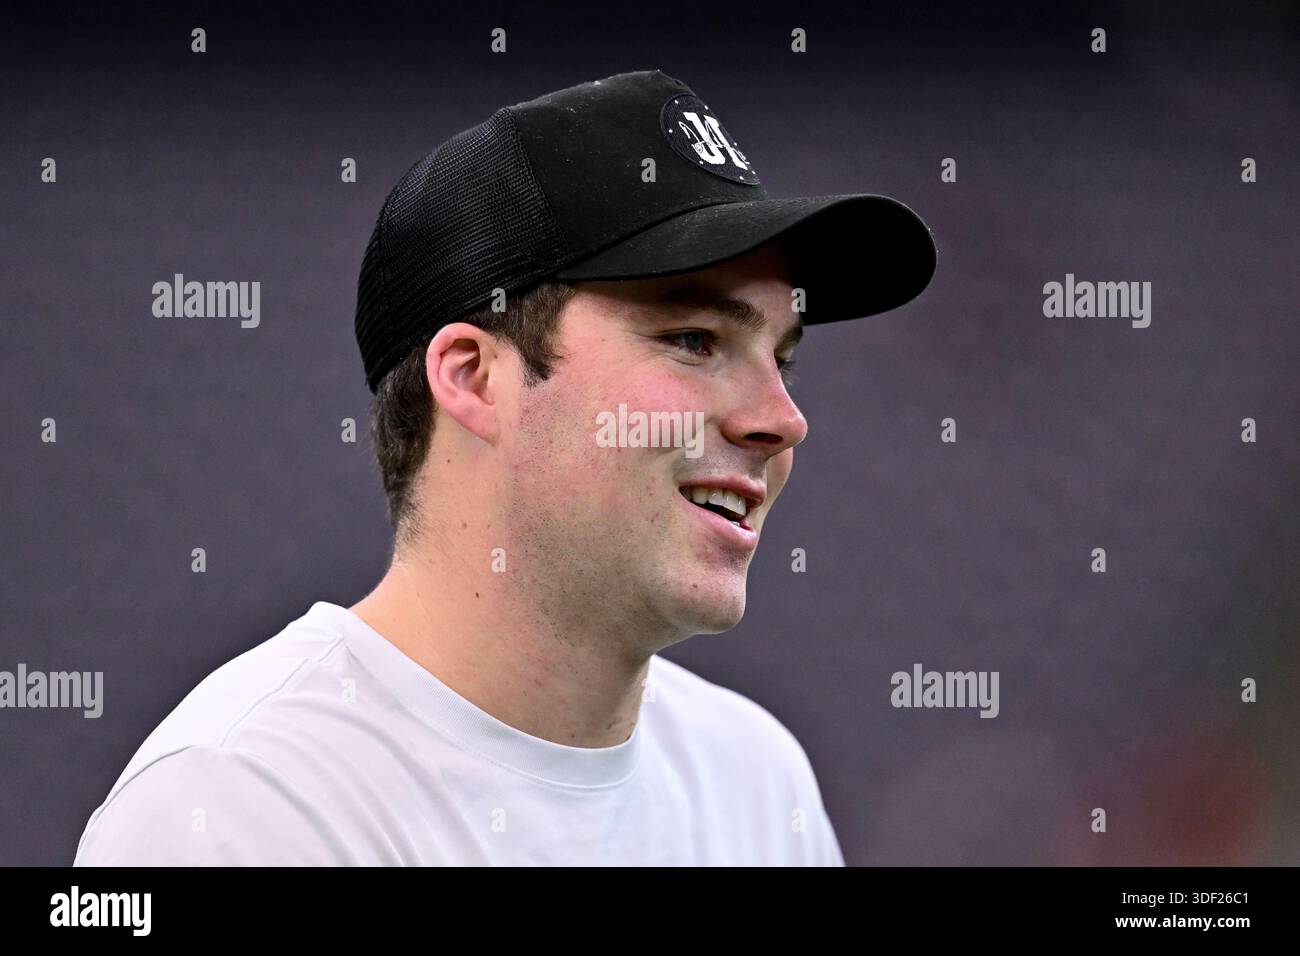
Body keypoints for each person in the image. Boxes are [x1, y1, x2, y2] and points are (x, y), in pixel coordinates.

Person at [73, 69, 935, 866]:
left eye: (782, 358)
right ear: (476, 378)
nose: (782, 421)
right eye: (694, 340)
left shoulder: (756, 781)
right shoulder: (237, 806)